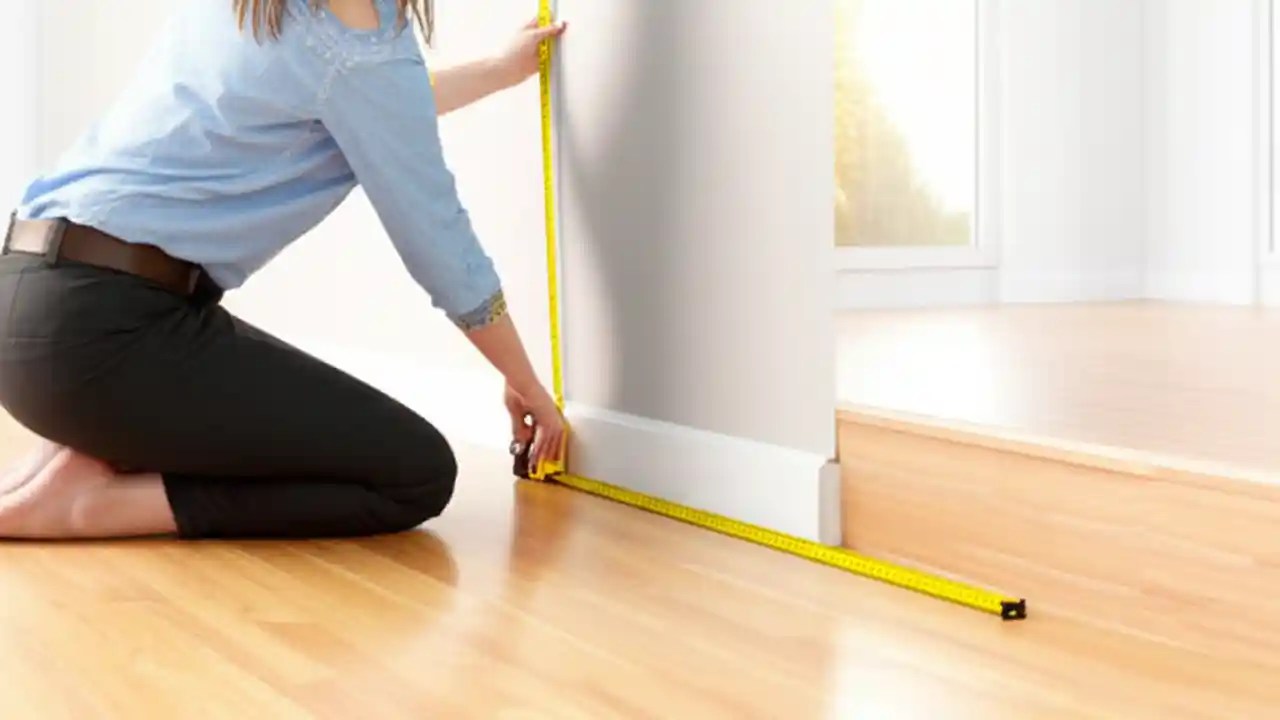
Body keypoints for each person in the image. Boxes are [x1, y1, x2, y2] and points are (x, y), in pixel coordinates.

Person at [0, 0, 568, 540]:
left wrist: (497, 70)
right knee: (414, 473)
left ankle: (86, 451)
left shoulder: (265, 12)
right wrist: (526, 383)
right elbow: (443, 247)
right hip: (106, 336)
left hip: (30, 308)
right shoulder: (355, 40)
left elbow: (376, 101)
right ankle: (91, 505)